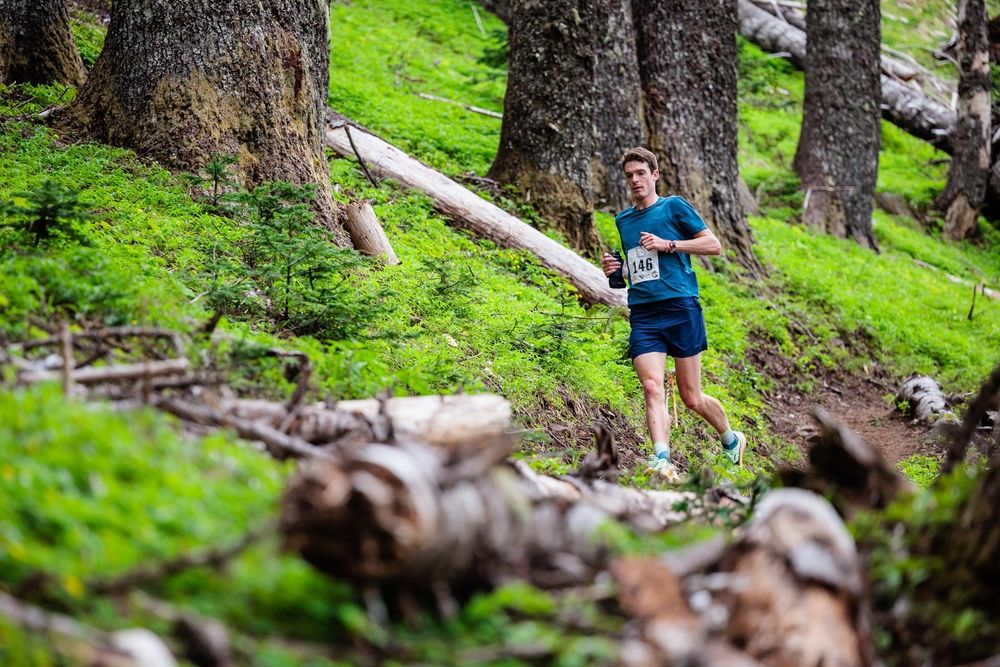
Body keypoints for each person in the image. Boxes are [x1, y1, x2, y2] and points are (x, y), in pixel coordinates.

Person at [601, 147, 747, 476]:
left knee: (691, 397)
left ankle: (731, 439)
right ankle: (662, 460)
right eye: (629, 176)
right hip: (644, 312)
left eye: (641, 173)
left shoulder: (674, 207)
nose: (635, 180)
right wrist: (617, 269)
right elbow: (640, 266)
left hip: (681, 307)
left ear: (655, 175)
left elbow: (713, 245)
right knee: (652, 387)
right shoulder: (623, 220)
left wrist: (668, 244)